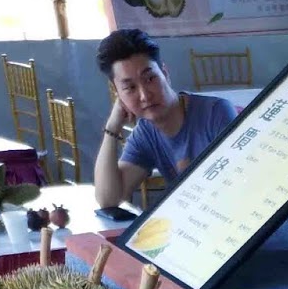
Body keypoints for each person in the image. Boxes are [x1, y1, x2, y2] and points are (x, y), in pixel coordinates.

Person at [94, 28, 235, 207]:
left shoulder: (216, 113)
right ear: (118, 94)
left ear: (165, 73)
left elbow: (239, 186)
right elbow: (109, 199)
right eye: (130, 88)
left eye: (150, 79)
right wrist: (112, 128)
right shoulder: (145, 134)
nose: (145, 95)